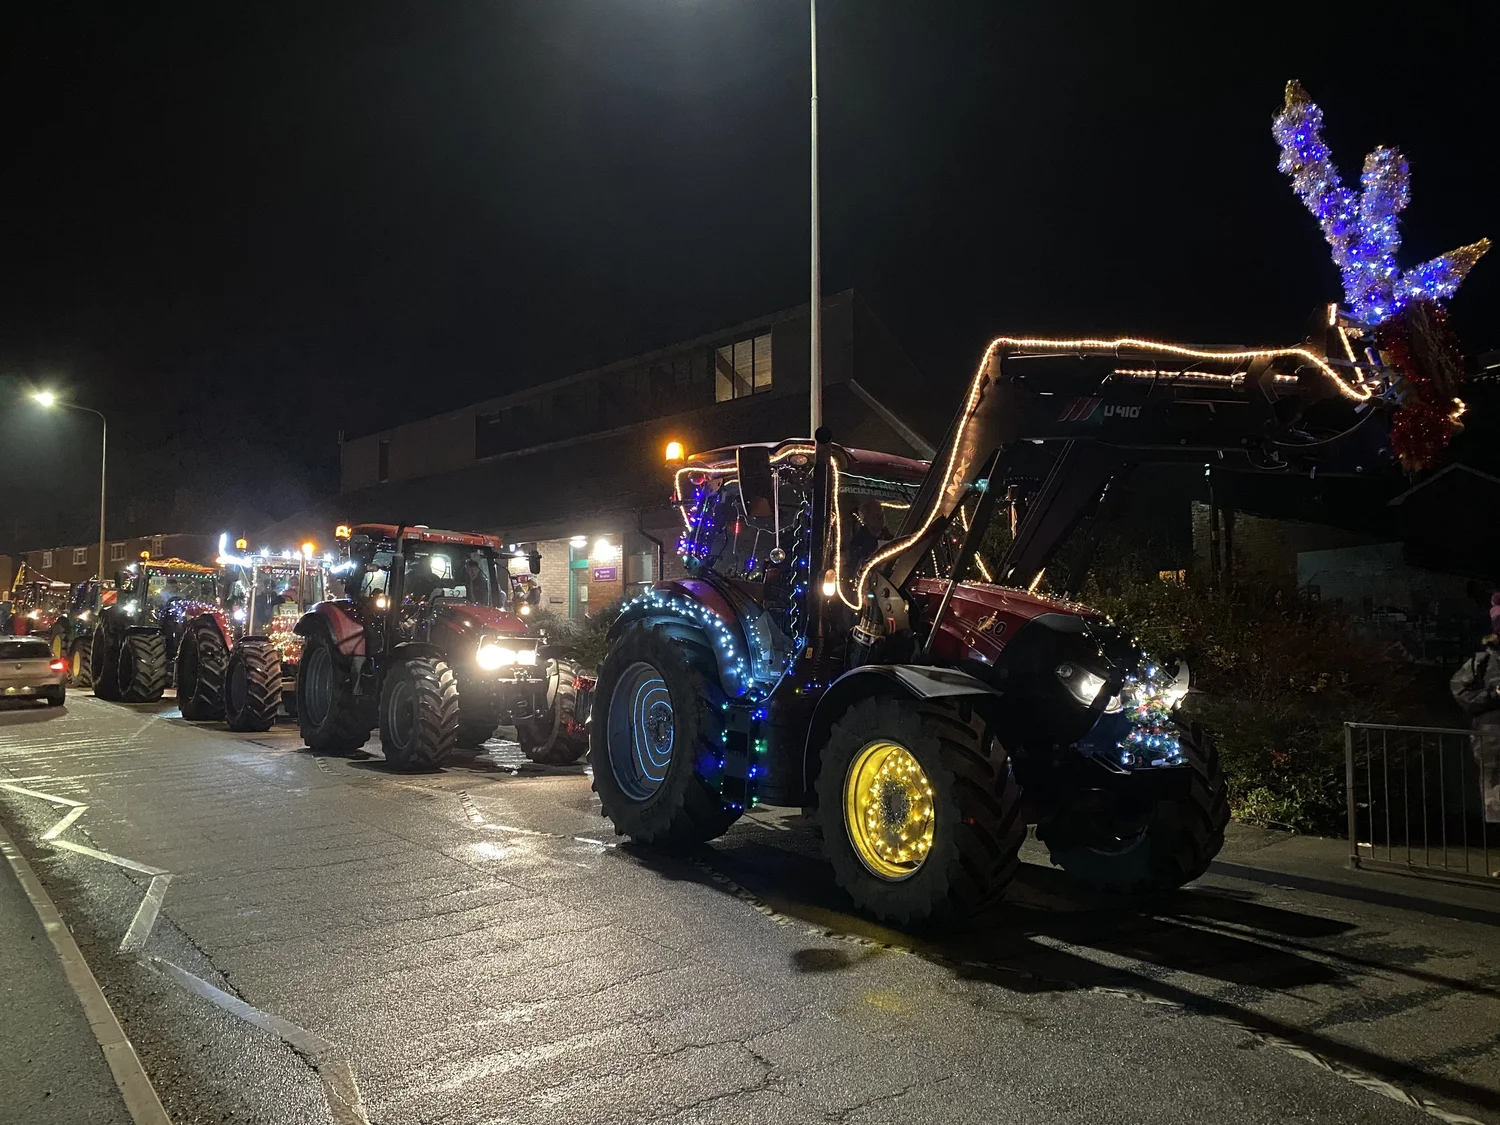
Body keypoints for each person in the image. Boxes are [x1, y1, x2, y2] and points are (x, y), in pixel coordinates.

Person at [1449, 598, 1500, 825]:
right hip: (1493, 740)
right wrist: (1495, 694)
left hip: (1491, 739)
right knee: (1494, 794)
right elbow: (1462, 694)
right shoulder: (1482, 662)